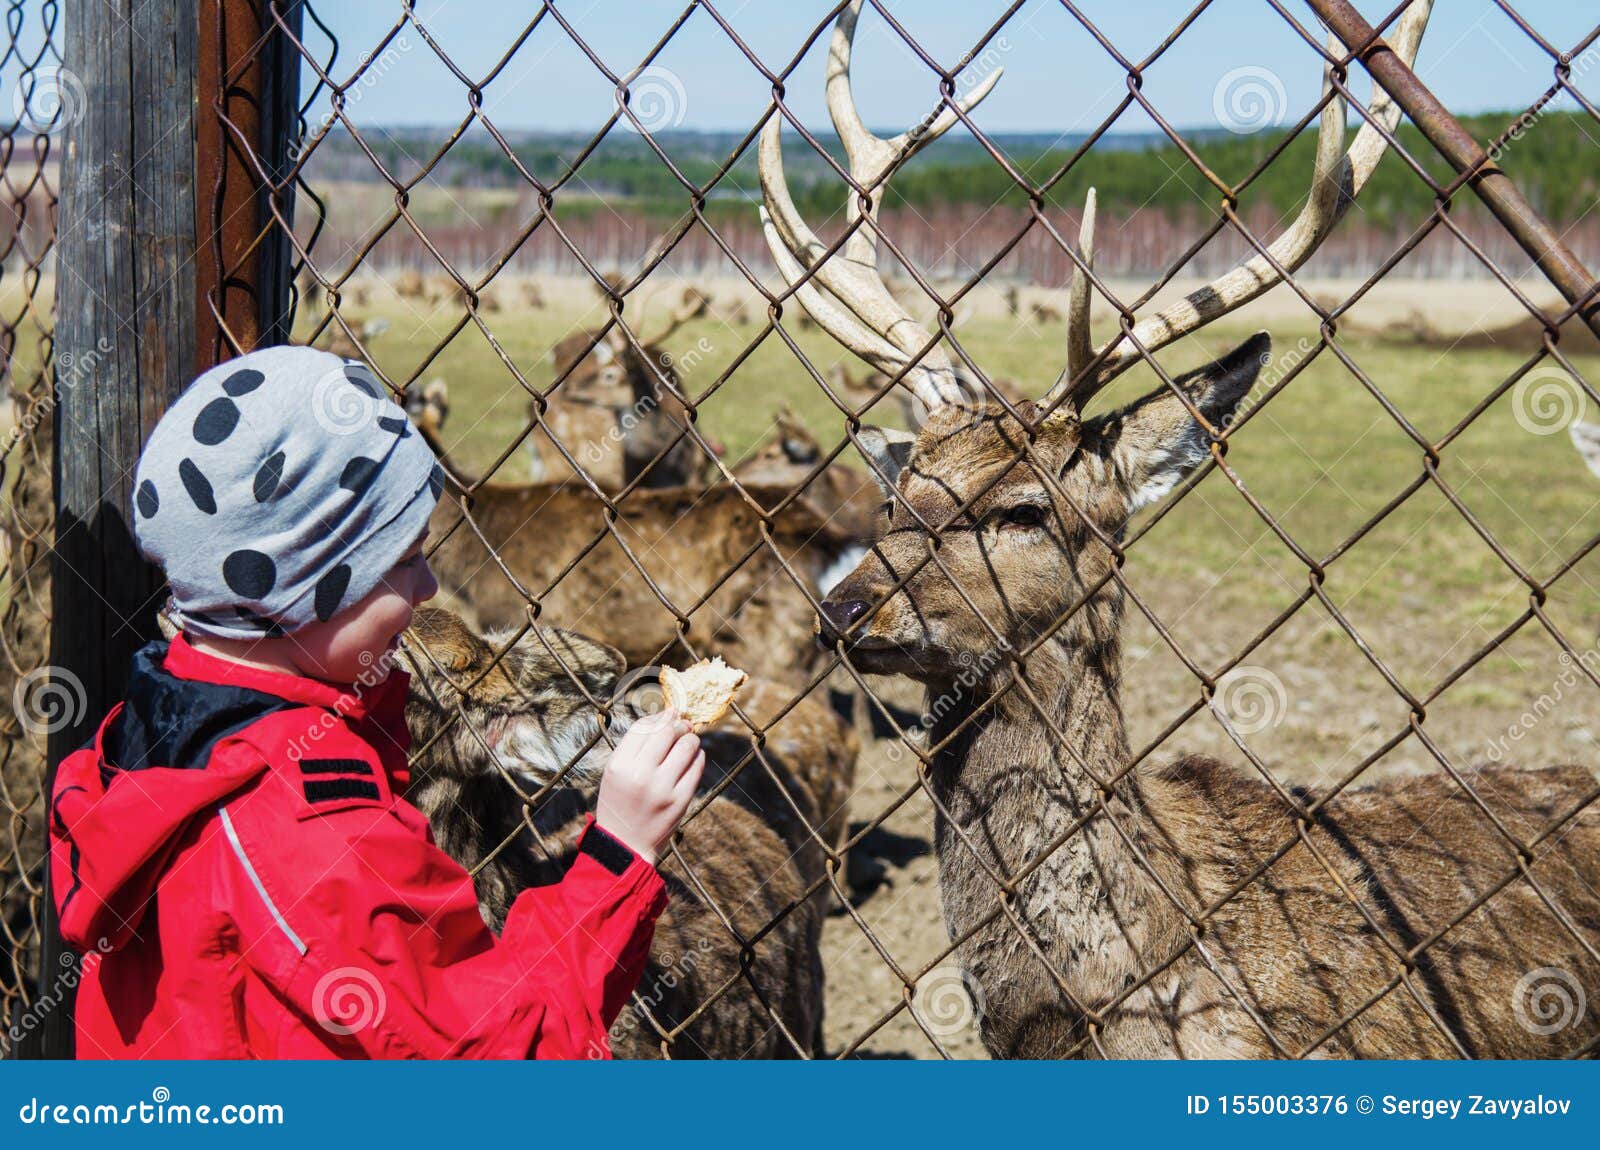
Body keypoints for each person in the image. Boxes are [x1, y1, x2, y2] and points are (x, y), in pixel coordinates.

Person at [47, 345, 705, 1058]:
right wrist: (619, 855)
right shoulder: (318, 844)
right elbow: (499, 1058)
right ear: (305, 590)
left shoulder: (135, 752)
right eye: (403, 561)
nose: (427, 590)